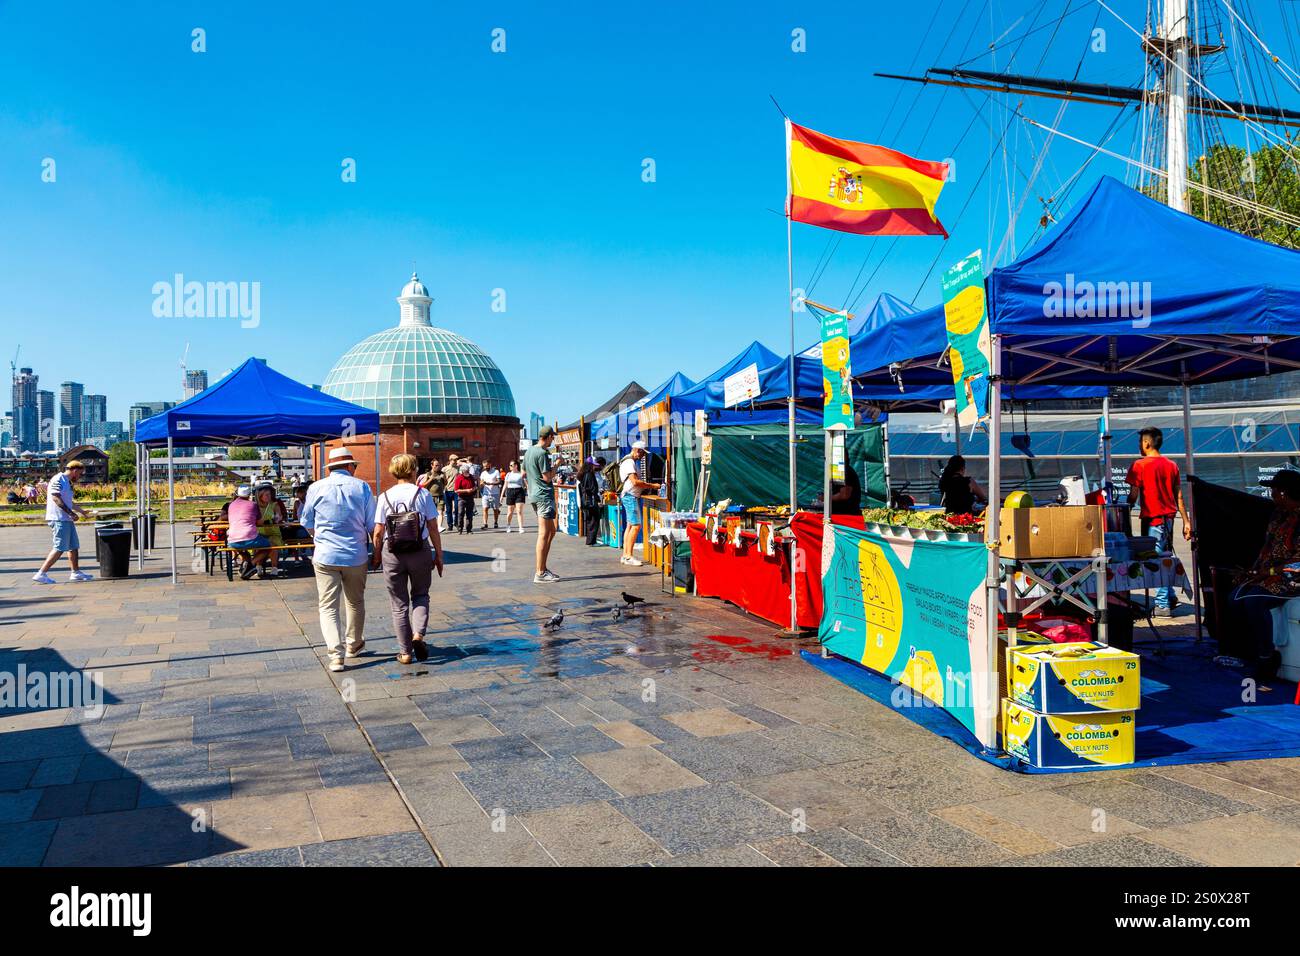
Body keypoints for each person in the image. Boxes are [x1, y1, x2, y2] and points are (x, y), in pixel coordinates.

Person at [300, 447, 375, 672]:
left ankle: (336, 655)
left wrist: (319, 537)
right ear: (350, 466)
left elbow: (306, 520)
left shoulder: (315, 487)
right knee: (355, 601)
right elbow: (372, 524)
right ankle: (353, 643)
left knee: (328, 606)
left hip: (325, 555)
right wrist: (377, 550)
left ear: (330, 467)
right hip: (355, 554)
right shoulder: (362, 487)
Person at [372, 454, 444, 665]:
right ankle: (418, 636)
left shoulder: (384, 496)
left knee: (398, 604)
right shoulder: (422, 494)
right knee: (421, 595)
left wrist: (377, 556)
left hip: (392, 552)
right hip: (419, 550)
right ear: (413, 471)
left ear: (394, 472)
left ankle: (405, 653)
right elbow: (433, 527)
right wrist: (438, 554)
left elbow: (378, 532)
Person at [1229, 469, 1300, 682]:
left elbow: (1297, 562)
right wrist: (1253, 571)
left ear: (1284, 493)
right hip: (1268, 575)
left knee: (1253, 602)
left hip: (1292, 580)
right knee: (1233, 597)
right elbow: (1267, 549)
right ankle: (1248, 652)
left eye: (1274, 490)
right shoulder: (1278, 514)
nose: (1271, 494)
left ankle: (1267, 657)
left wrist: (1269, 572)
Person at [1125, 427, 1192, 617]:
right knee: (1164, 558)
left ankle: (1162, 604)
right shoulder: (1172, 465)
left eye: (1140, 442)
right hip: (1169, 520)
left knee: (1154, 561)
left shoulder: (1140, 465)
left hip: (1153, 520)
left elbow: (1133, 495)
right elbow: (1179, 497)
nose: (1139, 446)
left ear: (1146, 443)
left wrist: (1123, 510)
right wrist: (1186, 522)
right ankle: (1169, 596)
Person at [32, 460, 93, 585]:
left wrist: (82, 512)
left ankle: (75, 572)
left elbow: (69, 502)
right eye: (80, 474)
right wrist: (71, 513)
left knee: (73, 546)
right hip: (59, 518)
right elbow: (55, 497)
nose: (80, 477)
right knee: (59, 547)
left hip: (65, 519)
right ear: (74, 471)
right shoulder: (58, 479)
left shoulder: (67, 482)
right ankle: (41, 573)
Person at [525, 426, 560, 582]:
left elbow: (524, 473)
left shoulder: (529, 451)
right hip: (543, 495)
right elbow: (547, 477)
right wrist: (558, 464)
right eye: (553, 437)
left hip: (534, 494)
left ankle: (543, 568)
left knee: (551, 532)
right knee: (544, 534)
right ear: (549, 437)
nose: (553, 440)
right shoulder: (541, 453)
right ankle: (540, 572)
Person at [619, 441, 658, 567]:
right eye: (642, 453)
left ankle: (625, 555)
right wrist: (652, 485)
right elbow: (635, 482)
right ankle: (629, 556)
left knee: (630, 526)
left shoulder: (628, 461)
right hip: (630, 496)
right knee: (636, 526)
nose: (642, 457)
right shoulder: (629, 462)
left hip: (629, 496)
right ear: (637, 450)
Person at [226, 485, 274, 581]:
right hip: (249, 536)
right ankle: (252, 564)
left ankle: (247, 564)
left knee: (242, 548)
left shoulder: (231, 505)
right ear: (249, 495)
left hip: (232, 539)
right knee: (269, 546)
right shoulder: (253, 505)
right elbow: (259, 522)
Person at [254, 482, 288, 577]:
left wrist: (278, 517)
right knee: (258, 545)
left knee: (272, 545)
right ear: (260, 496)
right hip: (260, 533)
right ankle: (258, 567)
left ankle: (274, 568)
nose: (269, 496)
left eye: (270, 494)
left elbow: (279, 515)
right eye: (266, 495)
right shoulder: (255, 506)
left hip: (273, 533)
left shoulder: (274, 505)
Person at [578, 457, 603, 547]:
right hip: (591, 501)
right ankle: (592, 541)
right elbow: (593, 489)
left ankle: (590, 540)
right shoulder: (590, 474)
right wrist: (598, 500)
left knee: (590, 521)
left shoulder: (583, 474)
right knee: (594, 521)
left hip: (586, 501)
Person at [452, 463, 478, 534]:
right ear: (462, 472)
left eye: (468, 471)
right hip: (461, 498)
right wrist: (466, 490)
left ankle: (469, 529)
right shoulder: (459, 478)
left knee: (469, 514)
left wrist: (473, 489)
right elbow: (456, 490)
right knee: (461, 513)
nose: (468, 472)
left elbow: (475, 486)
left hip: (470, 497)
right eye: (466, 471)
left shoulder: (471, 477)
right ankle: (460, 529)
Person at [503, 460, 527, 533]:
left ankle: (521, 527)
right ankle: (508, 525)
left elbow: (526, 484)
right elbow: (505, 485)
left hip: (519, 491)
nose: (510, 467)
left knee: (519, 511)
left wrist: (530, 492)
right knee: (510, 511)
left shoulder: (521, 474)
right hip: (510, 492)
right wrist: (501, 495)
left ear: (516, 466)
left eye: (511, 465)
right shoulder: (508, 474)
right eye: (510, 465)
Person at [479, 459, 503, 529]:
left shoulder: (496, 471)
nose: (485, 468)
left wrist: (490, 483)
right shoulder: (483, 473)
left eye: (486, 466)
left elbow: (499, 481)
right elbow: (481, 482)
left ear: (490, 464)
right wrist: (481, 484)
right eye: (484, 466)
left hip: (495, 493)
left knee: (495, 509)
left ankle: (495, 522)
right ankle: (485, 523)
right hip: (486, 493)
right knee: (485, 508)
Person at [440, 455, 460, 531]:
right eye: (454, 460)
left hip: (456, 491)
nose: (455, 461)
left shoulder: (458, 468)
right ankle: (450, 524)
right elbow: (441, 480)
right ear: (450, 460)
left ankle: (457, 523)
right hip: (447, 490)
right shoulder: (444, 469)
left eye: (456, 460)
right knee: (448, 509)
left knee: (457, 508)